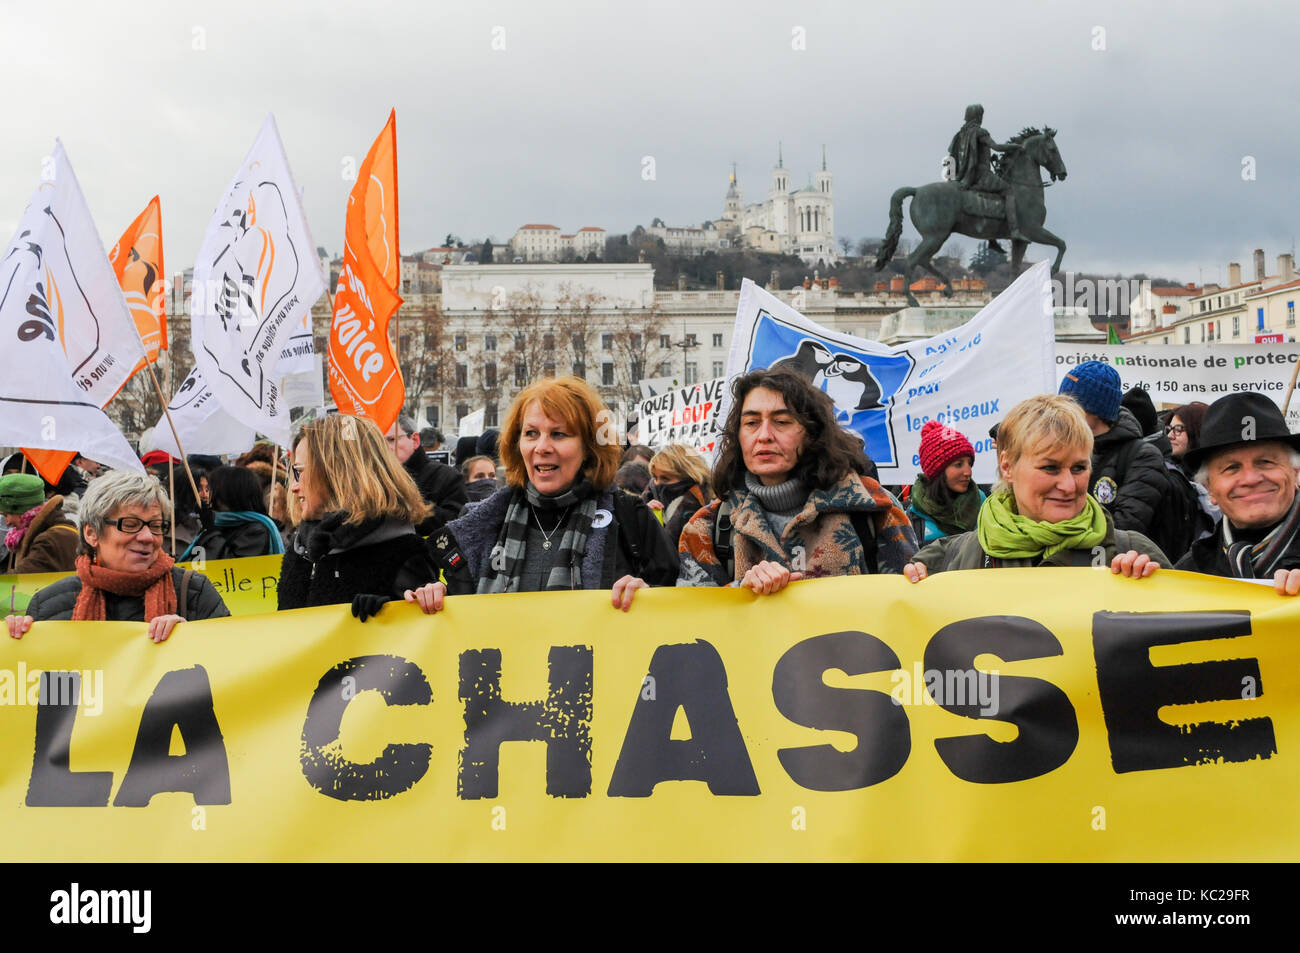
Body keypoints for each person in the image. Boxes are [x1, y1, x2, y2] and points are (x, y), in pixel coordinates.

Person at [423, 376, 678, 609]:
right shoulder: (480, 524)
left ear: (589, 446)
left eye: (558, 434)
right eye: (531, 433)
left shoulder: (631, 518)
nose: (542, 447)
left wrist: (650, 597)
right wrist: (439, 598)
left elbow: (677, 611)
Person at [676, 368, 917, 593]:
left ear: (811, 432)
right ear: (737, 435)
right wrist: (740, 592)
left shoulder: (872, 506)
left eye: (782, 422)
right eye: (751, 423)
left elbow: (905, 603)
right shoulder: (707, 527)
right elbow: (694, 622)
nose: (764, 436)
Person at [902, 395, 1166, 579]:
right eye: (1050, 468)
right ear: (1007, 467)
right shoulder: (948, 558)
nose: (1068, 485)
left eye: (1079, 468)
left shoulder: (1131, 551)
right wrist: (916, 584)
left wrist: (1152, 590)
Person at [6, 471, 229, 641]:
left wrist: (192, 640)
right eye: (130, 525)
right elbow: (52, 699)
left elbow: (234, 677)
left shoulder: (194, 593)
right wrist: (20, 643)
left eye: (156, 525)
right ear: (92, 534)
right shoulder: (47, 605)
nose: (147, 537)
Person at [281, 414, 444, 620]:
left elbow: (425, 641)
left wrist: (396, 612)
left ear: (339, 472)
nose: (294, 487)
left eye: (300, 472)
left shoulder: (403, 555)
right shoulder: (300, 550)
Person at [1174, 392, 1300, 595]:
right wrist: (1138, 585)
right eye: (1231, 467)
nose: (1250, 479)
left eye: (1266, 462)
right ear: (1209, 488)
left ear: (1295, 473)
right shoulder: (1190, 573)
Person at [1058, 361, 1168, 538]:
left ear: (1095, 409)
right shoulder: (1065, 447)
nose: (1061, 412)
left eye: (1069, 404)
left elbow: (1125, 526)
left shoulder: (1143, 457)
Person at [947, 103, 1026, 248]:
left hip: (963, 175)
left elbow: (955, 156)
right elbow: (997, 147)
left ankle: (992, 238)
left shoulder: (960, 135)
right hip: (981, 175)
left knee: (990, 198)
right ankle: (1014, 231)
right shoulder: (980, 132)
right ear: (978, 116)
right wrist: (1016, 147)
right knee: (1009, 191)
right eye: (981, 115)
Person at [180, 466, 285, 561]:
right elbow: (197, 564)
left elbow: (230, 568)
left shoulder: (256, 531)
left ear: (228, 496)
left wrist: (211, 530)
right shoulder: (220, 523)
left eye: (211, 490)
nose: (209, 496)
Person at [906, 421, 986, 544]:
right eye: (959, 464)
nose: (968, 472)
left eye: (969, 464)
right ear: (937, 470)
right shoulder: (912, 517)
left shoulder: (982, 503)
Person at [387, 414, 467, 530]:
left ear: (415, 440)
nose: (386, 447)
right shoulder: (374, 479)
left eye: (392, 440)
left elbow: (459, 523)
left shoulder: (447, 476)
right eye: (380, 442)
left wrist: (406, 502)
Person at [1, 473, 78, 573]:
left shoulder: (50, 539)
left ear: (24, 511)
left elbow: (21, 579)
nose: (7, 523)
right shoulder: (46, 530)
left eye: (7, 515)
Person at [647, 443, 713, 548]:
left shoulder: (706, 507)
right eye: (655, 477)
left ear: (688, 477)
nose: (657, 484)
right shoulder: (647, 500)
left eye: (665, 478)